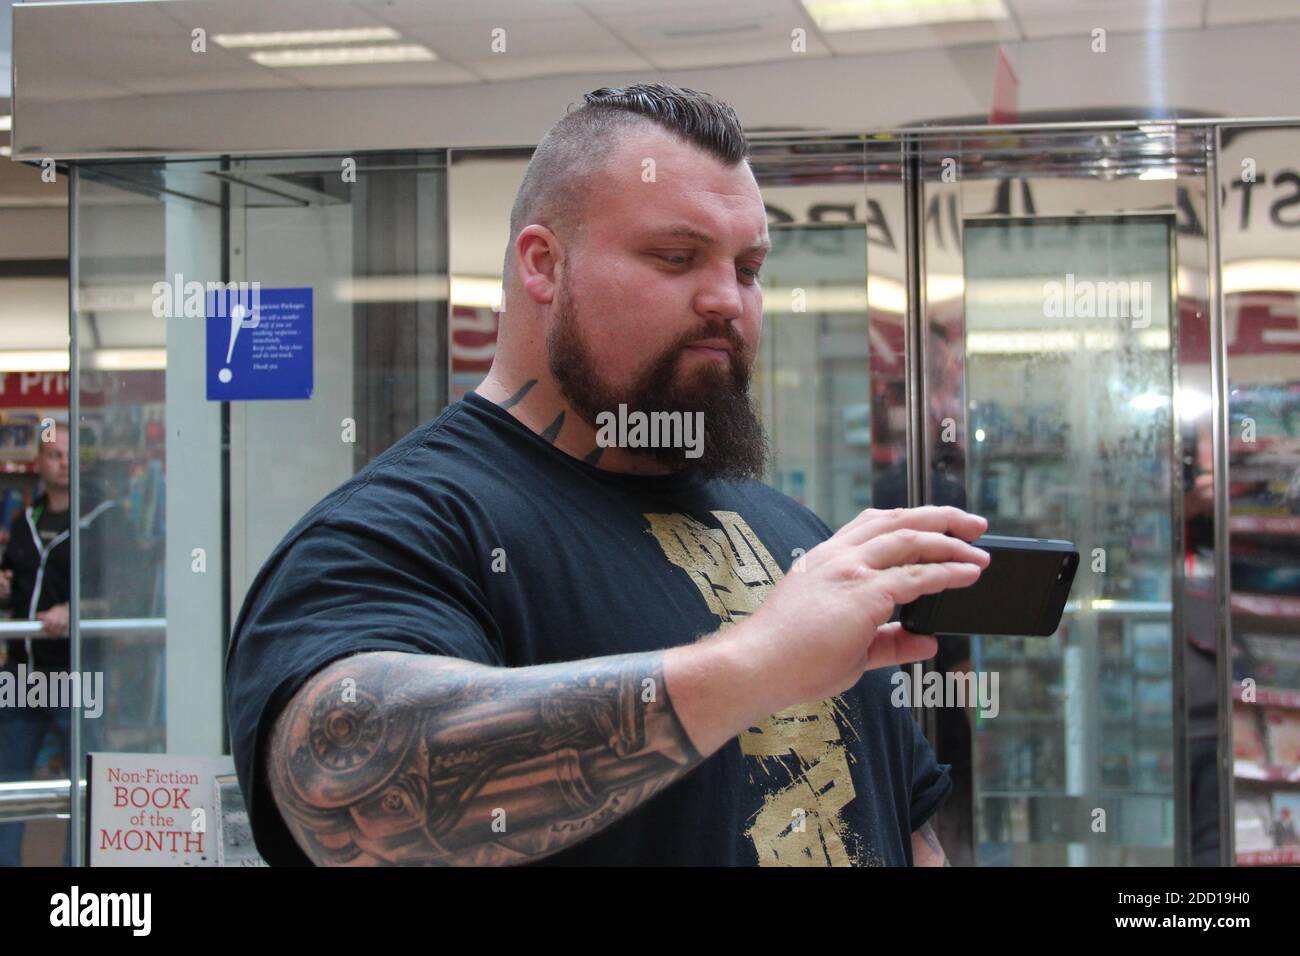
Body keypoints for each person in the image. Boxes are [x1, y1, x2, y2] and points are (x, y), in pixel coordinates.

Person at [225, 83, 992, 867]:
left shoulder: (787, 532)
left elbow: (907, 831)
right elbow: (344, 782)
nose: (726, 300)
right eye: (676, 257)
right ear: (544, 265)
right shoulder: (410, 528)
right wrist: (754, 665)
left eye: (748, 268)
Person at [0, 418, 129, 866]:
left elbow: (124, 595)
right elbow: (17, 588)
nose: (63, 464)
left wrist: (76, 611)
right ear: (39, 461)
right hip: (21, 675)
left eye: (70, 456)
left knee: (85, 786)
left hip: (76, 674)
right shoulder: (24, 521)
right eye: (54, 455)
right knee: (10, 785)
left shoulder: (104, 520)